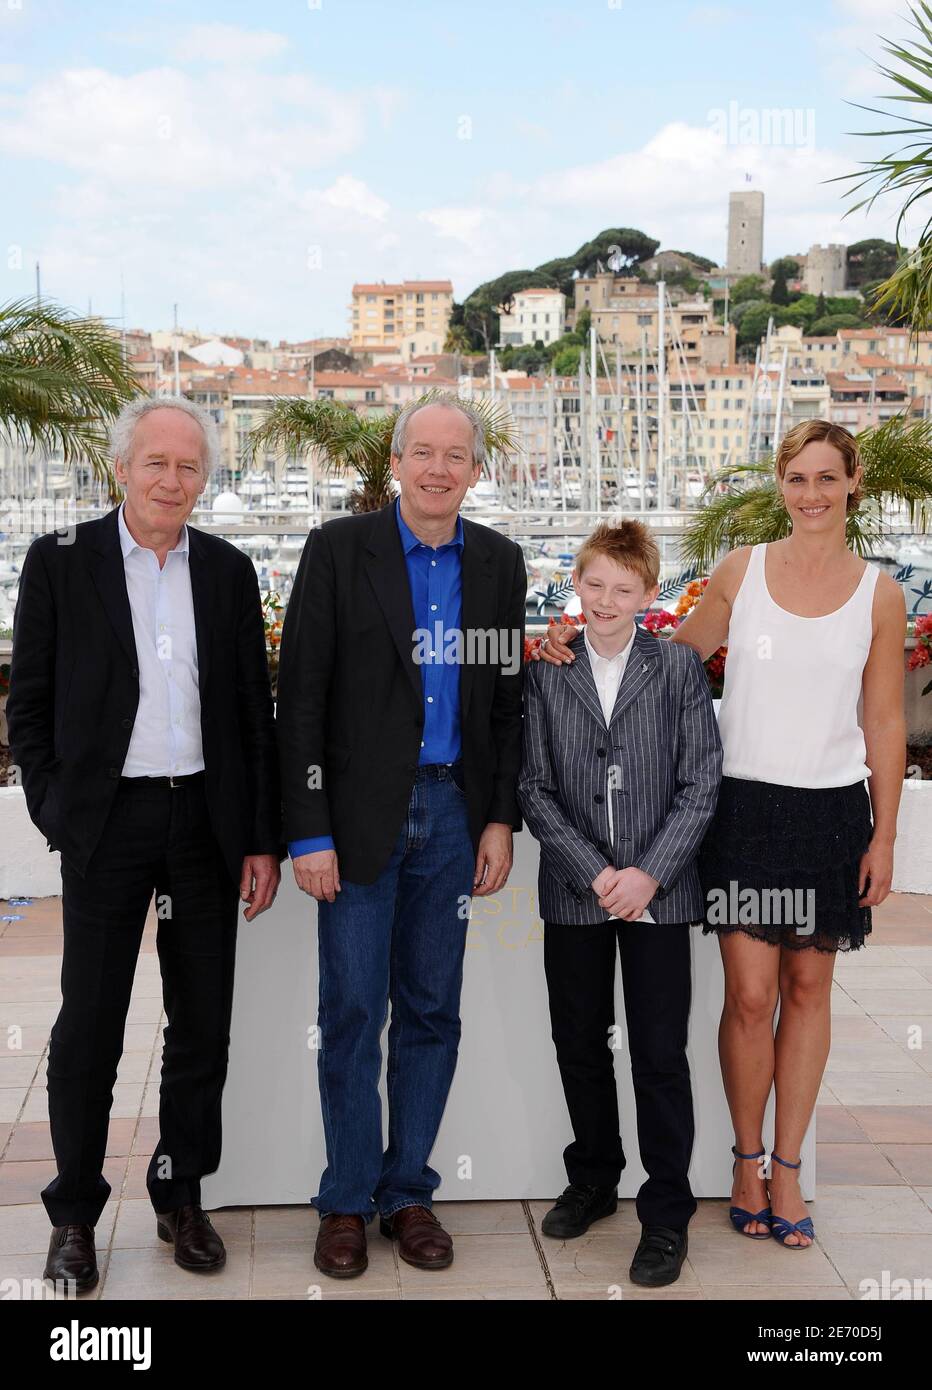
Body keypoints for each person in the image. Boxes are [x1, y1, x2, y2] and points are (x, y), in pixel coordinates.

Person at [541, 420, 906, 1249]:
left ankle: (789, 1170)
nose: (810, 494)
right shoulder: (744, 570)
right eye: (796, 478)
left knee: (809, 995)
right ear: (781, 486)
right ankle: (744, 1162)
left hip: (829, 814)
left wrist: (883, 838)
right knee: (749, 998)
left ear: (853, 483)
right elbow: (669, 658)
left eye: (826, 478)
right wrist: (576, 637)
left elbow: (884, 721)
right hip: (741, 810)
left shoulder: (879, 592)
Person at [7, 398, 281, 1292]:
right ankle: (76, 1215)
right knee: (90, 1025)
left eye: (189, 467)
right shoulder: (59, 563)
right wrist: (59, 811)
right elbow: (29, 705)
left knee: (202, 1025)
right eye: (156, 463)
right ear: (122, 467)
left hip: (206, 824)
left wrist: (259, 839)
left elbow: (253, 714)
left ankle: (181, 1193)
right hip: (106, 825)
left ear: (206, 478)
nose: (172, 480)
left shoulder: (231, 572)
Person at [276, 397, 526, 1278]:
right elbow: (299, 698)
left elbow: (504, 703)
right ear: (397, 463)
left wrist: (499, 817)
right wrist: (307, 830)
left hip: (455, 819)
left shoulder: (499, 563)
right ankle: (345, 1201)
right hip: (352, 823)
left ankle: (408, 1194)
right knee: (351, 1015)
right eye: (423, 452)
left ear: (475, 471)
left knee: (431, 1012)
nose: (438, 469)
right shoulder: (339, 551)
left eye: (455, 455)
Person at [518, 520, 722, 1287]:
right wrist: (592, 868)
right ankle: (595, 1178)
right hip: (576, 894)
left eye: (624, 589)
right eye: (594, 584)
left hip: (657, 901)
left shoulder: (674, 670)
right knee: (579, 1042)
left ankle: (666, 1212)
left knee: (659, 1055)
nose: (606, 600)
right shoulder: (548, 670)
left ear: (648, 595)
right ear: (577, 583)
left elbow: (702, 783)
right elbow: (533, 785)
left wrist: (648, 875)